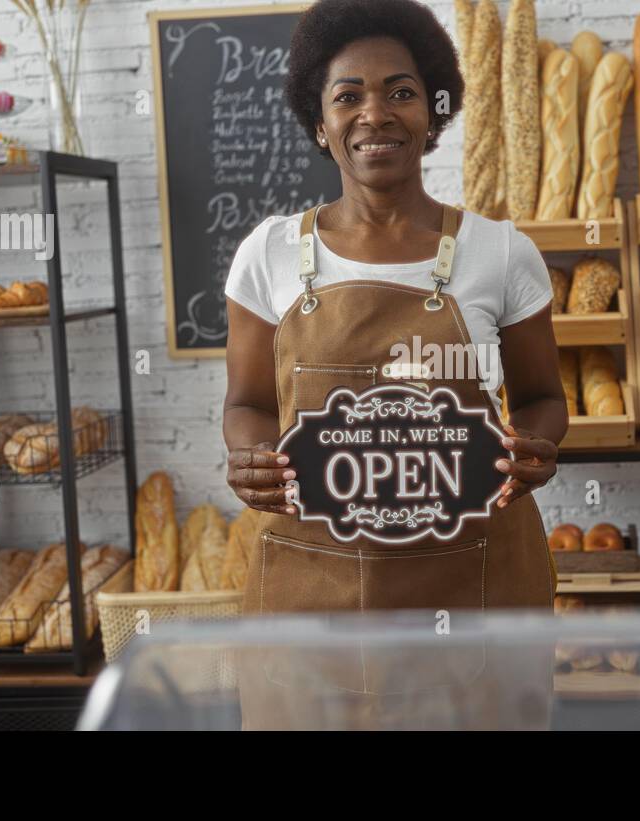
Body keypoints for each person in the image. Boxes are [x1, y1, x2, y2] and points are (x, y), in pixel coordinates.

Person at [222, 0, 566, 617]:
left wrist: (535, 447)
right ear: (320, 123)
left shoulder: (503, 252)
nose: (374, 114)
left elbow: (543, 397)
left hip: (475, 585)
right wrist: (252, 462)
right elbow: (247, 405)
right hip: (316, 587)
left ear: (433, 116)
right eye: (347, 97)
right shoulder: (267, 254)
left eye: (400, 92)